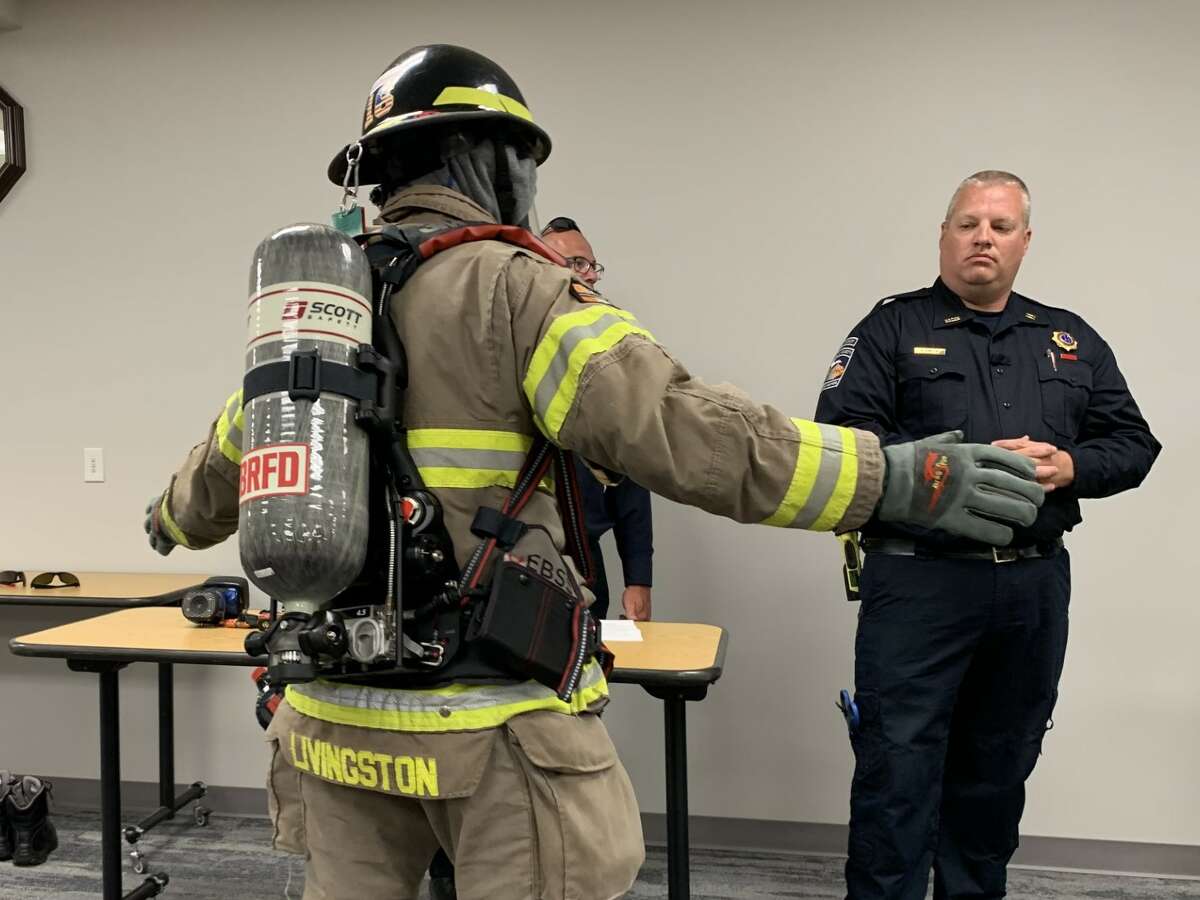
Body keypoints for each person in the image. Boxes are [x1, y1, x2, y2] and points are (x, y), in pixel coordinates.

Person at [144, 48, 1046, 900]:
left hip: (330, 724)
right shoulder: (517, 287)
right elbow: (685, 429)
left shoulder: (319, 315)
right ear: (486, 159)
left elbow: (223, 468)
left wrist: (167, 519)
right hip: (487, 723)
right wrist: (891, 479)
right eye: (523, 161)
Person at [814, 170, 1160, 900]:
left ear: (1024, 242)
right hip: (920, 581)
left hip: (1032, 585)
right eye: (968, 223)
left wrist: (1070, 464)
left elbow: (1134, 443)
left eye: (1001, 227)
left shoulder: (1069, 339)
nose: (983, 238)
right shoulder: (890, 329)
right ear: (943, 235)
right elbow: (842, 440)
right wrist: (943, 471)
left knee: (998, 769)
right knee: (897, 767)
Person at [540, 215, 653, 621]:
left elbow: (631, 471)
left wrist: (638, 579)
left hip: (587, 562)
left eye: (591, 264)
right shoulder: (513, 346)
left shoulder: (607, 350)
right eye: (576, 264)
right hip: (525, 558)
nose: (589, 274)